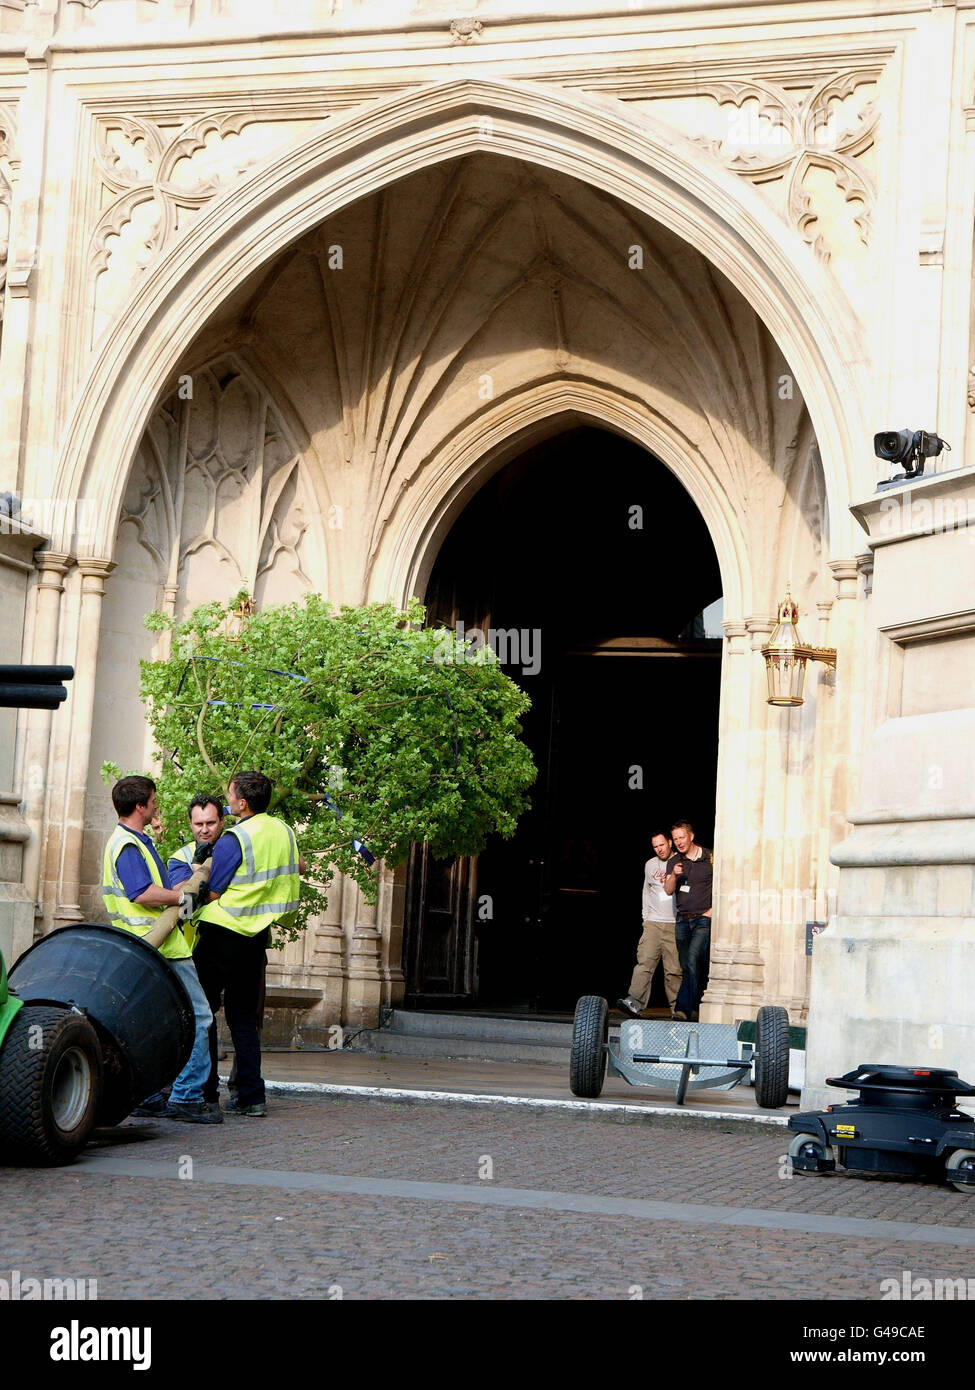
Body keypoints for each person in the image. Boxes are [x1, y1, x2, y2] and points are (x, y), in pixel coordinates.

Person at [101, 775, 222, 1124]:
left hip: (145, 945)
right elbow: (141, 892)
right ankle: (186, 1097)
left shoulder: (133, 840)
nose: (157, 805)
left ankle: (151, 1095)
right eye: (153, 801)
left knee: (151, 1021)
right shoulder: (126, 845)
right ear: (140, 806)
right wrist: (181, 897)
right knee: (200, 1017)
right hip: (160, 944)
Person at [194, 771, 304, 1118]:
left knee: (202, 1013)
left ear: (242, 802)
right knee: (244, 1018)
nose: (227, 799)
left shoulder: (235, 837)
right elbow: (297, 867)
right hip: (256, 935)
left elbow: (214, 890)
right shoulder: (284, 830)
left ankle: (205, 1091)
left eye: (229, 795)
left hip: (221, 931)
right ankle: (251, 1096)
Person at [617, 830, 682, 1018]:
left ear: (670, 842)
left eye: (662, 845)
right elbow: (646, 890)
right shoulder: (650, 864)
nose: (659, 849)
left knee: (674, 970)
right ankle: (634, 1002)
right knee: (644, 963)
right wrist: (645, 917)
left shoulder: (680, 862)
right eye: (655, 846)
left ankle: (677, 1010)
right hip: (653, 922)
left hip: (674, 923)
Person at [664, 819, 714, 1020]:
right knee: (687, 965)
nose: (679, 842)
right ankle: (694, 1007)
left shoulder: (710, 857)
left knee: (692, 959)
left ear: (691, 836)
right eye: (675, 839)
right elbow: (668, 891)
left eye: (681, 837)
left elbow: (724, 886)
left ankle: (682, 1009)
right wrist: (674, 876)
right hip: (682, 920)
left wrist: (712, 910)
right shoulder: (674, 861)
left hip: (703, 919)